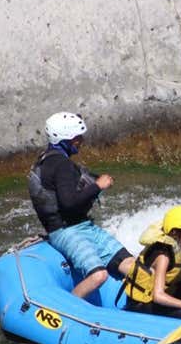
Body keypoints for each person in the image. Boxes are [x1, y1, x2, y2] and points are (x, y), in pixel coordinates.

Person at [28, 112, 135, 299]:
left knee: (132, 266)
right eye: (77, 137)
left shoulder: (48, 159)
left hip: (83, 226)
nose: (81, 140)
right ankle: (67, 309)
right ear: (65, 139)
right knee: (98, 276)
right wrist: (97, 186)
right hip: (65, 231)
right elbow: (69, 204)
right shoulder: (61, 165)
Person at [122, 205, 181, 321]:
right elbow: (158, 296)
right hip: (144, 303)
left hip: (168, 290)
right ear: (175, 233)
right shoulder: (163, 256)